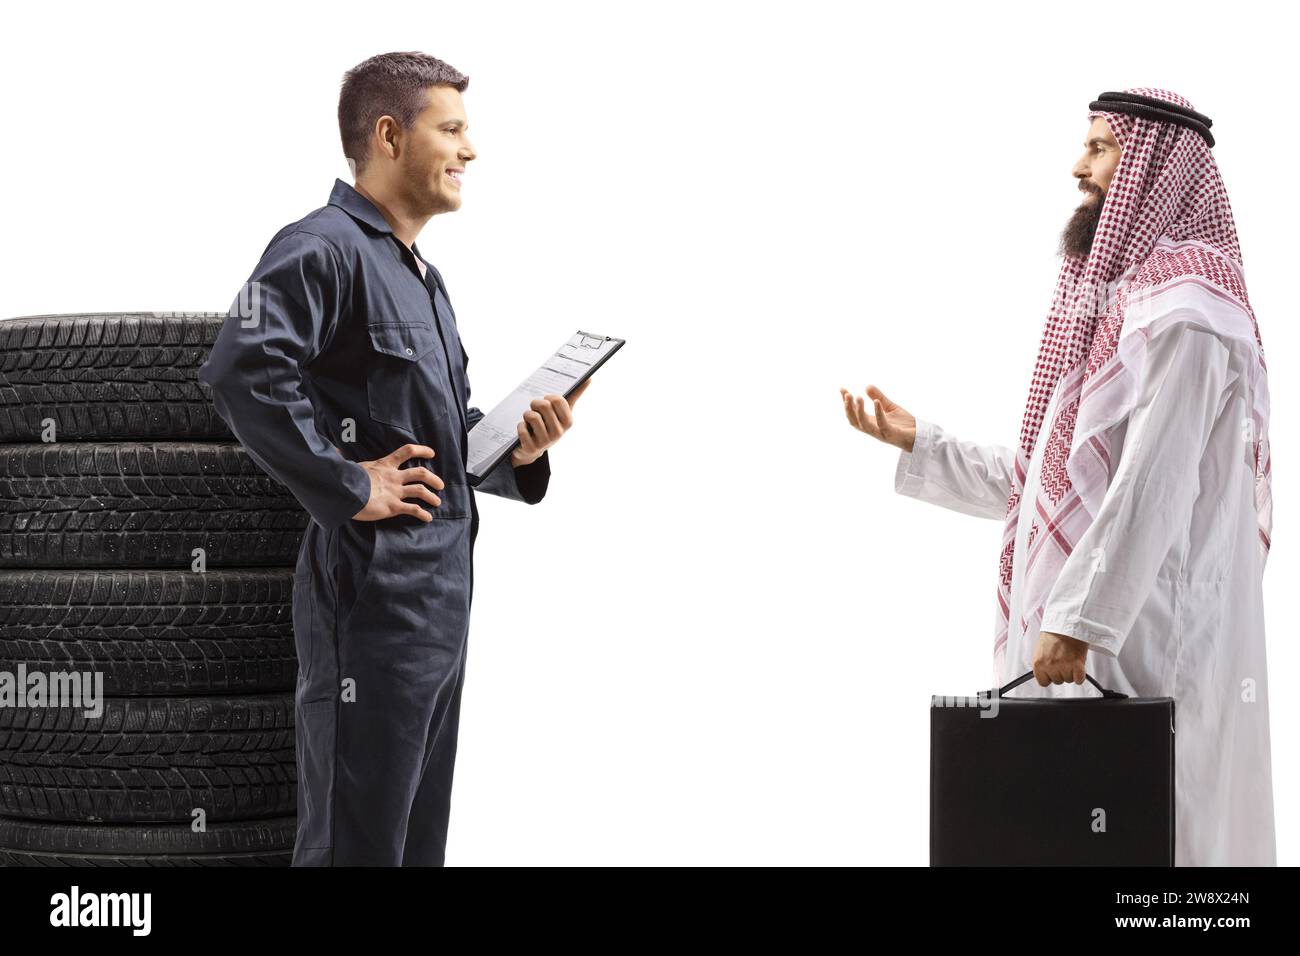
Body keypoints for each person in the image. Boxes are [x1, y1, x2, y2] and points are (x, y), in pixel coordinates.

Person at [841, 88, 1274, 866]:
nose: (1080, 165)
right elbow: (1061, 481)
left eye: (1102, 147)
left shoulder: (1188, 305)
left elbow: (1157, 478)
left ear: (1155, 166)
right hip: (1104, 636)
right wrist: (926, 444)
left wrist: (1080, 619)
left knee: (1164, 849)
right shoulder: (1127, 298)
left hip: (1149, 636)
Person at [200, 52, 590, 866]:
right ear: (388, 136)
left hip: (439, 606)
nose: (469, 150)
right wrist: (348, 483)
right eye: (450, 129)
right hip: (369, 604)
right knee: (356, 846)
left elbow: (436, 440)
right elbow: (241, 364)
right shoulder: (321, 247)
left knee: (413, 849)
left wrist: (518, 447)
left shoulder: (423, 280)